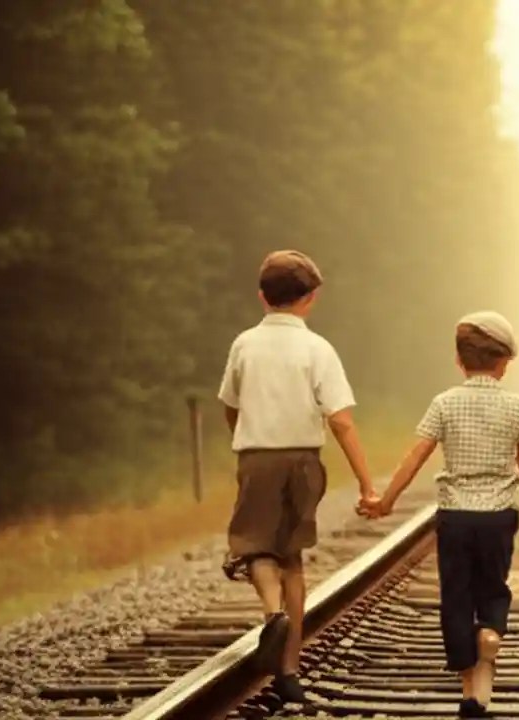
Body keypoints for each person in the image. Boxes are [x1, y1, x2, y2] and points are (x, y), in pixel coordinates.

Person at [362, 311, 519, 719]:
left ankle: (468, 691)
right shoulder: (518, 407)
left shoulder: (444, 403)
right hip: (497, 517)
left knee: (455, 595)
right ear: (504, 362)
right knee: (493, 586)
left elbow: (415, 456)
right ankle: (491, 632)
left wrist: (385, 500)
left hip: (455, 516)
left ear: (459, 361)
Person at [218, 250, 378, 703]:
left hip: (257, 458)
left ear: (262, 297)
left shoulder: (244, 344)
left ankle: (272, 616)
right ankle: (289, 673)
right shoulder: (317, 349)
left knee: (254, 547)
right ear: (311, 299)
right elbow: (342, 421)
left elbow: (229, 403)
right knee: (292, 559)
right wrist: (366, 483)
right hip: (304, 461)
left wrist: (245, 439)